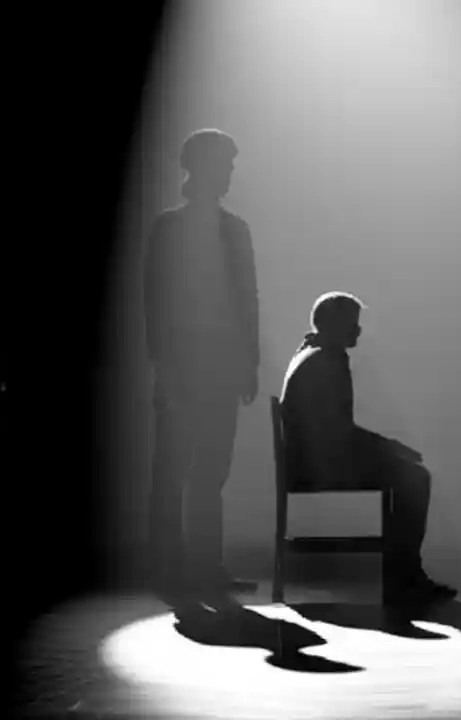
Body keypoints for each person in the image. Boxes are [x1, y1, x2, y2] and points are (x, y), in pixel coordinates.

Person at [279, 291, 456, 606]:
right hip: (320, 468)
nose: (358, 331)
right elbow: (336, 431)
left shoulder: (309, 353)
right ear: (335, 325)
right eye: (352, 324)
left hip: (309, 461)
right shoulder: (328, 360)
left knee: (405, 474)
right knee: (414, 479)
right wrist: (390, 449)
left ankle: (402, 576)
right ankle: (404, 578)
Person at [143, 128, 260, 602]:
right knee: (184, 470)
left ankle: (195, 568)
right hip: (191, 364)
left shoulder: (225, 228)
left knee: (205, 470)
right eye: (226, 164)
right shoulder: (179, 228)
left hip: (209, 365)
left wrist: (247, 362)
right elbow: (155, 300)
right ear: (204, 167)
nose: (231, 172)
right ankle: (181, 568)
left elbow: (246, 299)